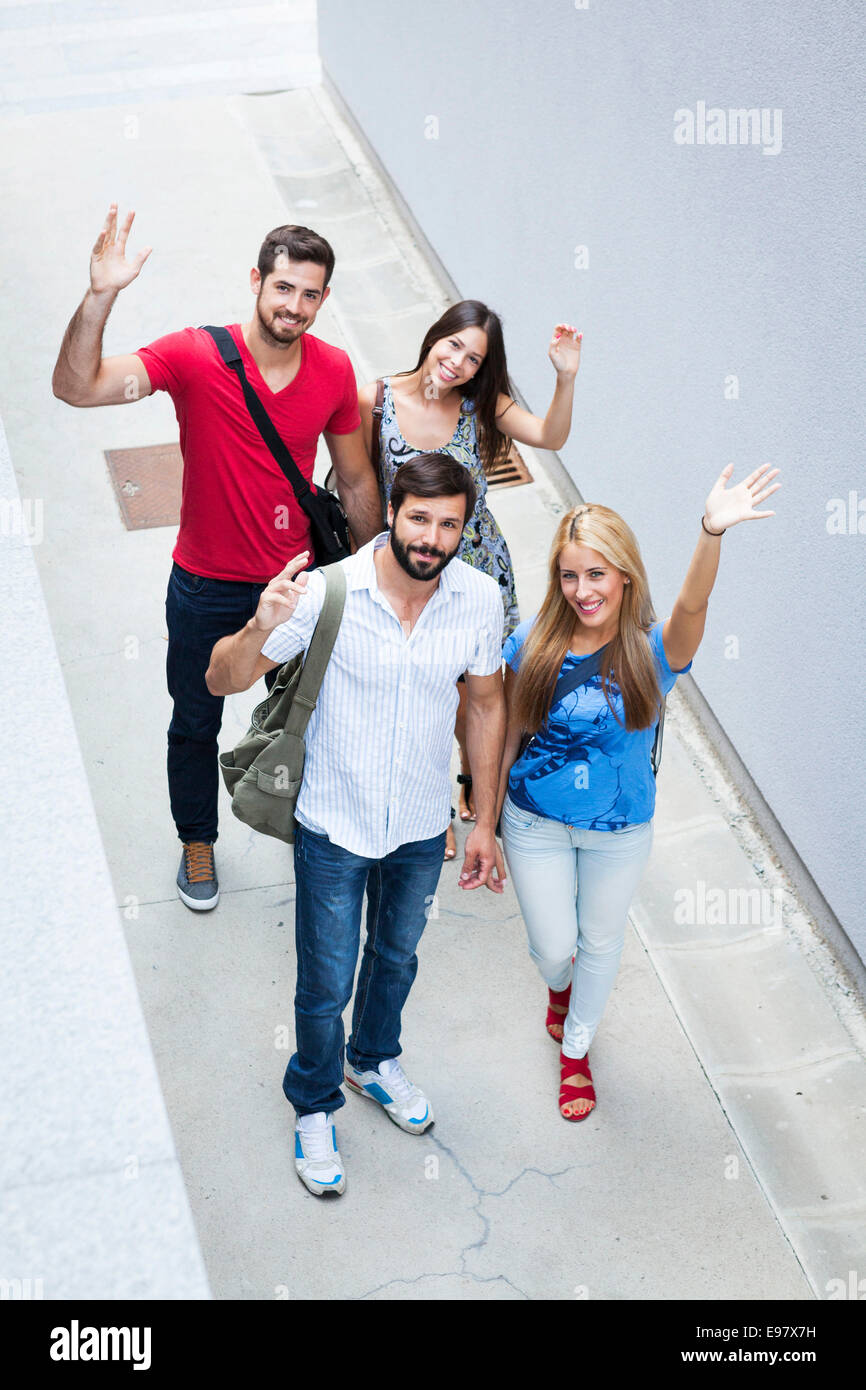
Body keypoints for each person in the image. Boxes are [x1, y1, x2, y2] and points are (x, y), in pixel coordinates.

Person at [52, 205, 382, 911]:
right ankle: (197, 840)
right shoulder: (196, 356)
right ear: (257, 281)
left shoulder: (331, 370)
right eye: (284, 288)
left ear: (324, 300)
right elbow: (76, 387)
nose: (294, 306)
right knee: (197, 719)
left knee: (315, 715)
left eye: (310, 294)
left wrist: (375, 569)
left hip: (297, 583)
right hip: (205, 584)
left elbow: (353, 479)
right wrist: (101, 294)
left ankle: (321, 840)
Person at [205, 453, 506, 1196]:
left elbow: (488, 705)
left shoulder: (477, 597)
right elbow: (221, 677)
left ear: (463, 531)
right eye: (419, 519)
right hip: (332, 822)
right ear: (392, 514)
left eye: (448, 525)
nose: (431, 538)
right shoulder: (327, 592)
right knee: (324, 981)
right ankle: (313, 1100)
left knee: (397, 957)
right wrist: (260, 625)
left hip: (416, 822)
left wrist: (484, 820)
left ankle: (372, 1058)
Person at [495, 464, 781, 1121]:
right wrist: (484, 820)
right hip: (534, 821)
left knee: (599, 942)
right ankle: (559, 989)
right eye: (570, 574)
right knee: (552, 948)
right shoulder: (533, 643)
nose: (582, 589)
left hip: (619, 829)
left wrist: (711, 532)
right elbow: (508, 730)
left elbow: (692, 608)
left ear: (624, 575)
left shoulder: (653, 652)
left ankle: (576, 1051)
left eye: (597, 574)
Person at [359, 300, 582, 860]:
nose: (457, 363)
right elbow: (360, 485)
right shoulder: (377, 399)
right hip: (414, 575)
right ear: (435, 337)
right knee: (433, 695)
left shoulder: (478, 405)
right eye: (453, 345)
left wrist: (565, 377)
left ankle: (475, 786)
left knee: (481, 696)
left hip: (480, 570)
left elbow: (549, 436)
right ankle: (432, 808)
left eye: (473, 358)